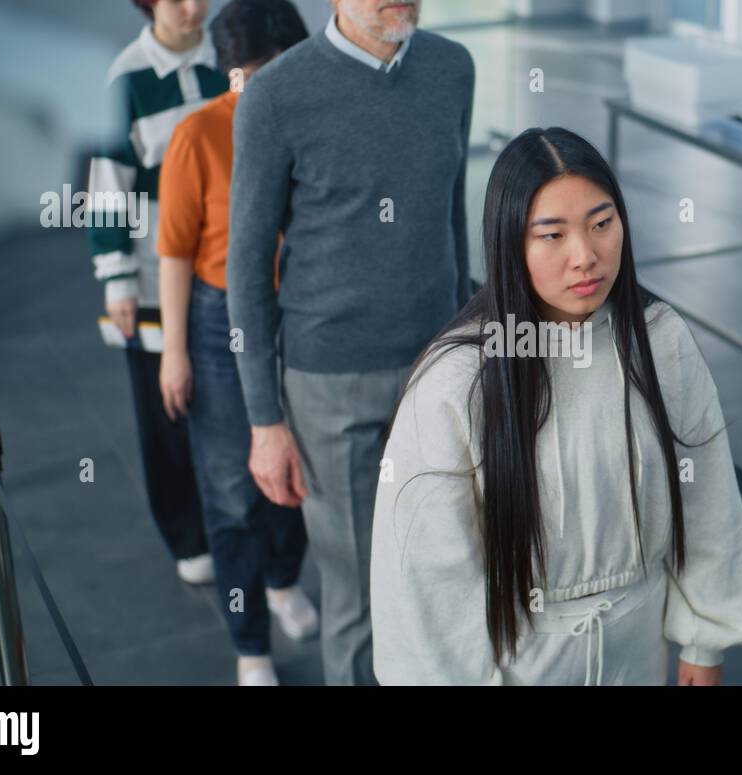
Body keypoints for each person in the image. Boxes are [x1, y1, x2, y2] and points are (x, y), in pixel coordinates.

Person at [370, 128, 742, 685]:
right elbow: (429, 574)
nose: (586, 256)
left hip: (639, 647)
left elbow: (706, 498)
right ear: (510, 243)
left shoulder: (659, 341)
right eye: (552, 235)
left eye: (602, 224)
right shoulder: (457, 379)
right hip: (520, 663)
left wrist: (706, 637)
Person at [226, 0, 474, 685]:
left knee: (445, 568)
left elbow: (452, 222)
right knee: (361, 592)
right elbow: (245, 267)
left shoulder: (453, 69)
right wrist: (263, 419)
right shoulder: (276, 96)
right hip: (329, 383)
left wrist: (470, 350)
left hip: (441, 370)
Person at [156, 0, 317, 687]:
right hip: (223, 323)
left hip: (306, 312)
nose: (254, 84)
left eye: (270, 68)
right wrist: (175, 349)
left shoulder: (317, 123)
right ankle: (250, 645)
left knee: (301, 474)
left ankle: (284, 581)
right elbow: (173, 250)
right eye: (244, 72)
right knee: (231, 491)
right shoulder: (197, 134)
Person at [88, 0, 228, 585]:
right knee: (163, 410)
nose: (193, 9)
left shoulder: (228, 58)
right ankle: (186, 535)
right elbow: (106, 187)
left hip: (220, 265)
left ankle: (236, 524)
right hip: (151, 274)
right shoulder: (125, 78)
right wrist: (116, 276)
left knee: (225, 401)